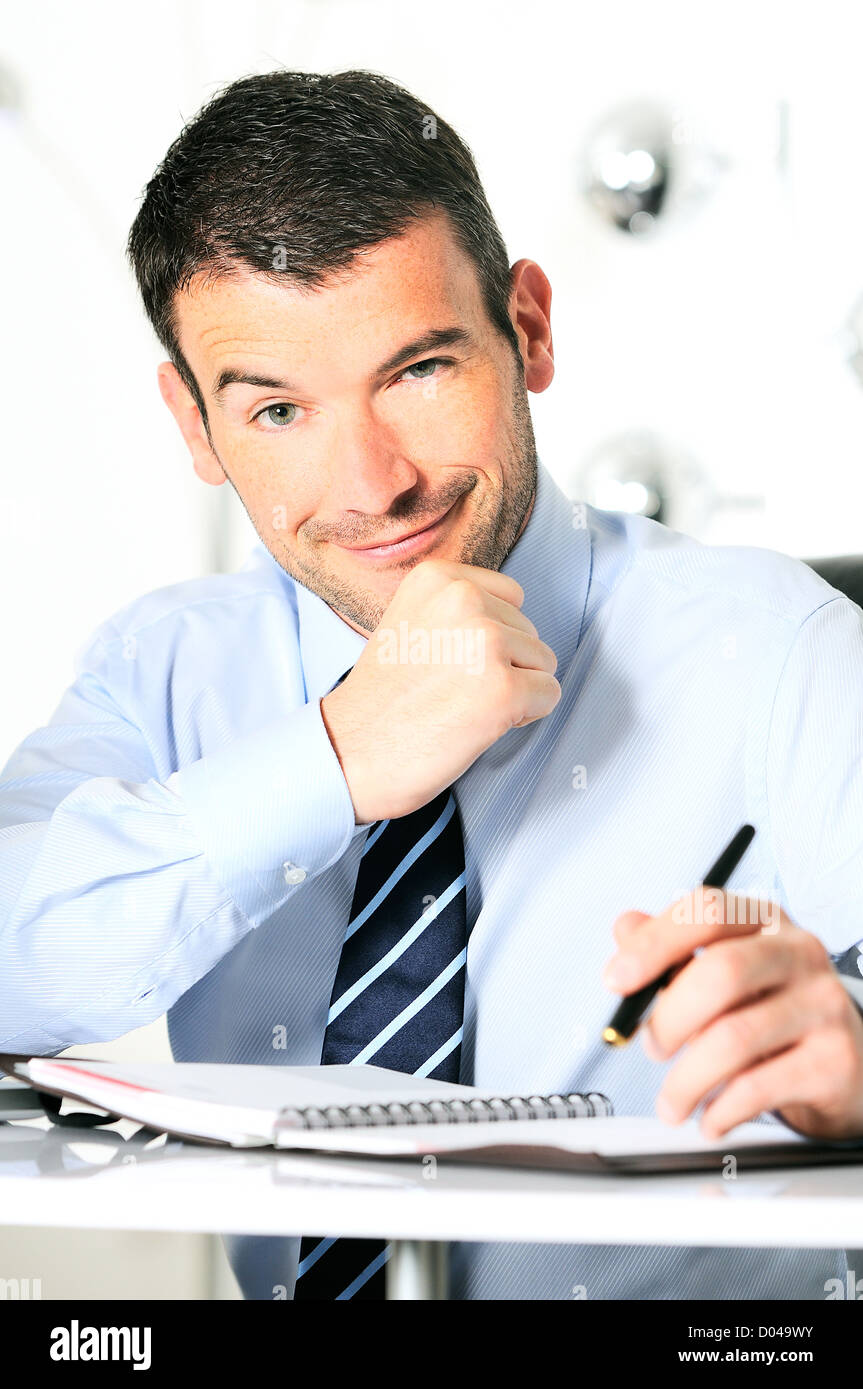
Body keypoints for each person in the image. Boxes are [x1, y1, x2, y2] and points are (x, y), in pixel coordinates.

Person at [2, 68, 863, 1301]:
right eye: (280, 408)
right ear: (193, 424)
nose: (371, 483)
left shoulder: (779, 649)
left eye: (417, 370)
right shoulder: (163, 668)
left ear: (529, 330)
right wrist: (337, 759)